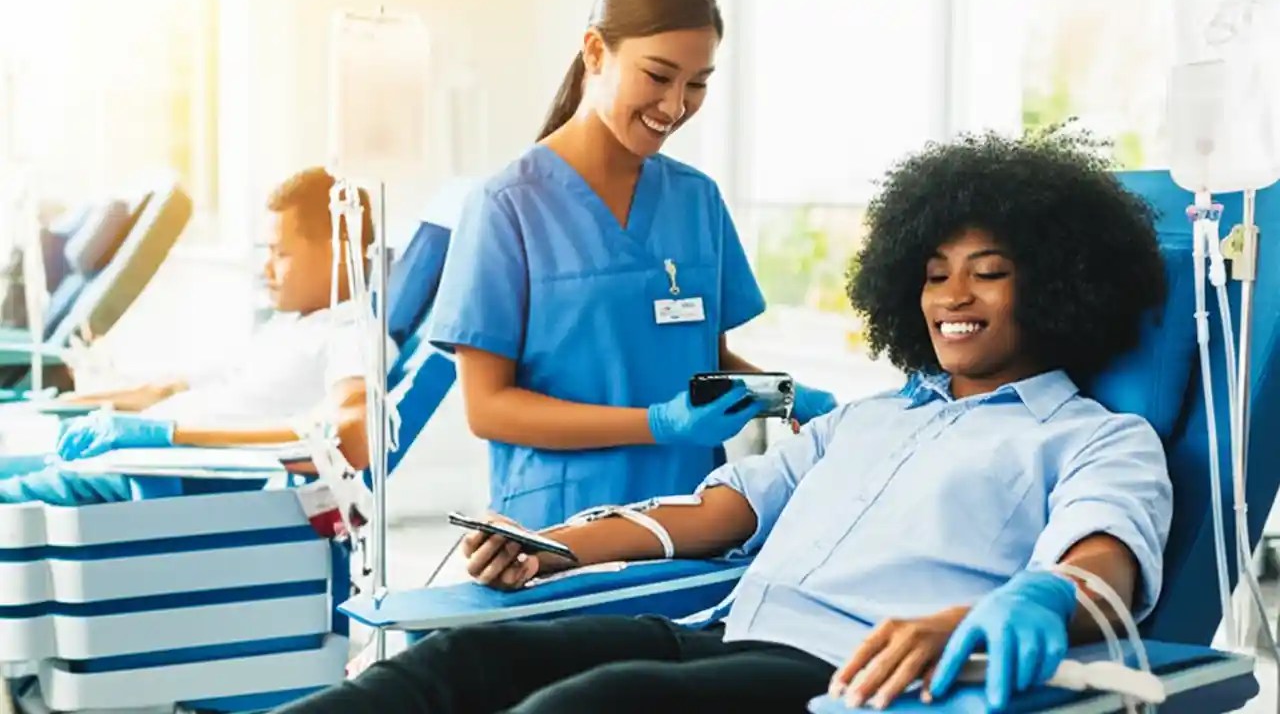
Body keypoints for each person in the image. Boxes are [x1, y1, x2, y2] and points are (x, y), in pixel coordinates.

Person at [272, 129, 1173, 713]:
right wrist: (557, 546)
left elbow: (1104, 560)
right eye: (935, 273)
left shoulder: (1093, 436)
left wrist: (1031, 600)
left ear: (1057, 288)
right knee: (449, 670)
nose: (953, 297)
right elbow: (721, 509)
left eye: (990, 270)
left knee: (577, 710)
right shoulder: (870, 419)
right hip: (722, 633)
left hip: (849, 677)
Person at [428, 0, 837, 530]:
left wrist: (784, 398)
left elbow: (705, 363)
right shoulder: (508, 207)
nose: (674, 106)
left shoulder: (697, 200)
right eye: (658, 76)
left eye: (697, 83)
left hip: (689, 521)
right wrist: (658, 424)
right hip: (557, 532)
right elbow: (488, 407)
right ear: (595, 51)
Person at [0, 167, 392, 505]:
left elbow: (351, 435)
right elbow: (164, 388)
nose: (265, 269)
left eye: (280, 253)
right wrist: (53, 404)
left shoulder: (350, 332)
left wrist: (166, 435)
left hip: (168, 483)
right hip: (133, 462)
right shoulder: (288, 329)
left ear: (342, 252)